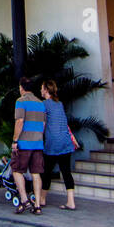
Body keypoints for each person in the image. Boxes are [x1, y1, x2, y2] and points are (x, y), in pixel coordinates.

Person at [38, 79, 80, 210]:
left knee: (47, 172)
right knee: (66, 172)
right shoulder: (59, 104)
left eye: (41, 88)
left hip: (53, 143)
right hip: (65, 142)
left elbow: (43, 125)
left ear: (46, 90)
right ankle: (71, 202)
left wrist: (38, 138)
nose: (40, 90)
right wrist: (73, 138)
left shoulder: (44, 104)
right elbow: (64, 123)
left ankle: (42, 199)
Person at [10, 75, 45, 215]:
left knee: (17, 170)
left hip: (24, 143)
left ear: (22, 88)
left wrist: (15, 140)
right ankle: (37, 205)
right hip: (38, 143)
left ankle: (24, 200)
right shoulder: (40, 103)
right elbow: (43, 124)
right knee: (36, 173)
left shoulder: (20, 101)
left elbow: (19, 121)